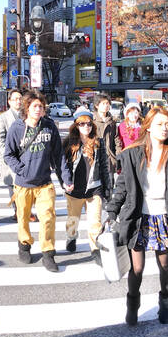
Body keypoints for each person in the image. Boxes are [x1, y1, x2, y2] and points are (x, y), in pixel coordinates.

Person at [104, 103, 168, 325]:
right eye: (160, 124)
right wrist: (111, 211)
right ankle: (132, 305)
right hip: (139, 217)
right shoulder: (132, 155)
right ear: (148, 127)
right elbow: (122, 187)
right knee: (137, 268)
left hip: (164, 217)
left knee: (165, 265)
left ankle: (165, 304)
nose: (165, 128)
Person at [2, 91, 65, 266]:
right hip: (23, 184)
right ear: (27, 108)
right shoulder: (16, 128)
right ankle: (24, 245)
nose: (38, 109)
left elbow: (59, 155)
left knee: (48, 217)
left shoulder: (49, 126)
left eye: (41, 106)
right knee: (22, 217)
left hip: (44, 182)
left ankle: (48, 253)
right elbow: (8, 154)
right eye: (34, 106)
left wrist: (65, 179)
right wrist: (20, 169)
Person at [55, 110, 109, 262]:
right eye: (82, 123)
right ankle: (71, 237)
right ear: (76, 126)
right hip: (74, 190)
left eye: (89, 123)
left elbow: (104, 167)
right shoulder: (68, 143)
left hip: (94, 189)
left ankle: (95, 248)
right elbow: (61, 168)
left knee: (95, 222)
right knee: (73, 219)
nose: (86, 126)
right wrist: (64, 184)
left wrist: (107, 190)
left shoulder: (99, 142)